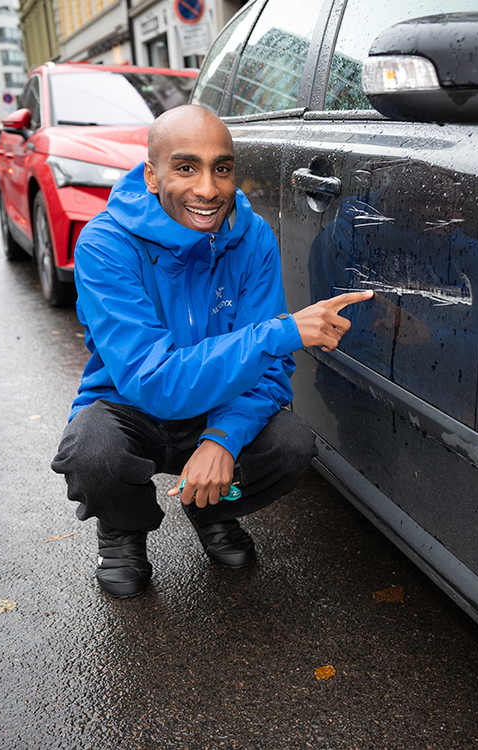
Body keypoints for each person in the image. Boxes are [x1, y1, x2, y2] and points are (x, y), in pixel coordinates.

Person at [50, 105, 372, 598]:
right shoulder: (103, 245)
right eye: (186, 167)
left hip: (218, 406)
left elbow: (268, 375)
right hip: (129, 407)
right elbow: (155, 384)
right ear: (151, 177)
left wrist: (222, 438)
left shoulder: (253, 237)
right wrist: (279, 333)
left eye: (221, 168)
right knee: (93, 451)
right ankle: (122, 531)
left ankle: (212, 509)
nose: (207, 189)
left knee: (289, 445)